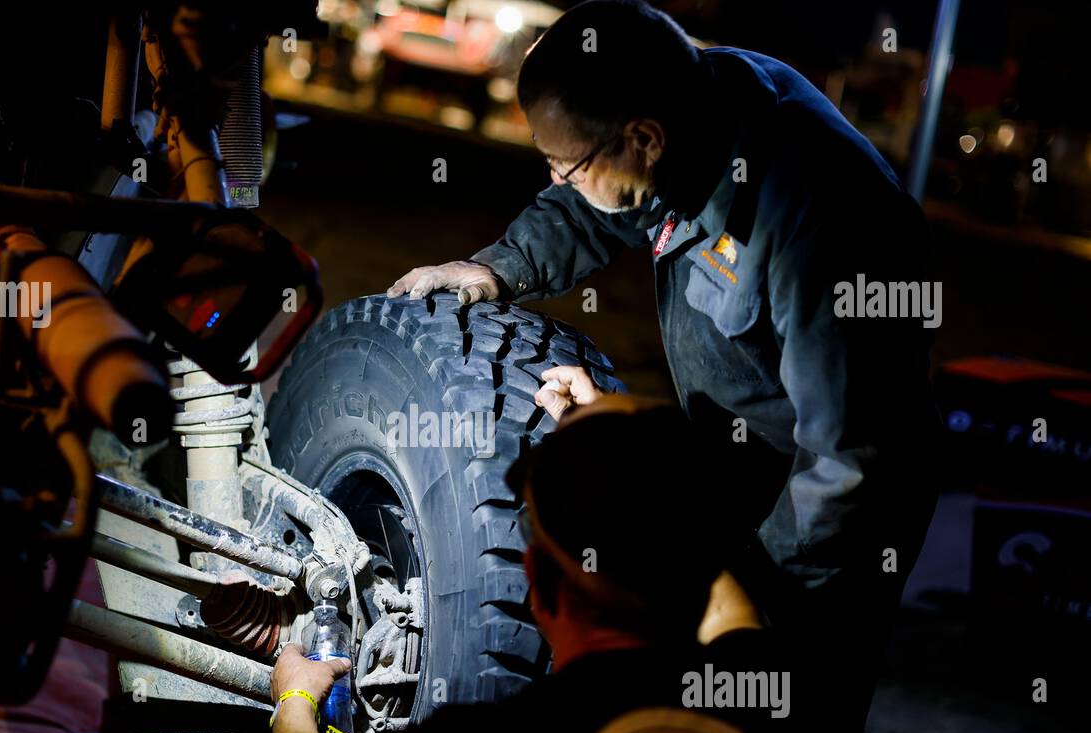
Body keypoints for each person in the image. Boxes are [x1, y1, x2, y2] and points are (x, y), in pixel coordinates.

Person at [386, 0, 940, 646]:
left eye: (565, 166)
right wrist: (498, 270)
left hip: (836, 521)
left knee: (783, 717)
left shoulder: (819, 219)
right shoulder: (684, 111)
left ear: (644, 139)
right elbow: (596, 206)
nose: (556, 178)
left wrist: (747, 595)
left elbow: (851, 459)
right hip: (751, 461)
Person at [265, 400, 872, 733]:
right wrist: (631, 453)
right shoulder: (806, 709)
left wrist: (293, 702)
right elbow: (724, 597)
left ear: (538, 581)